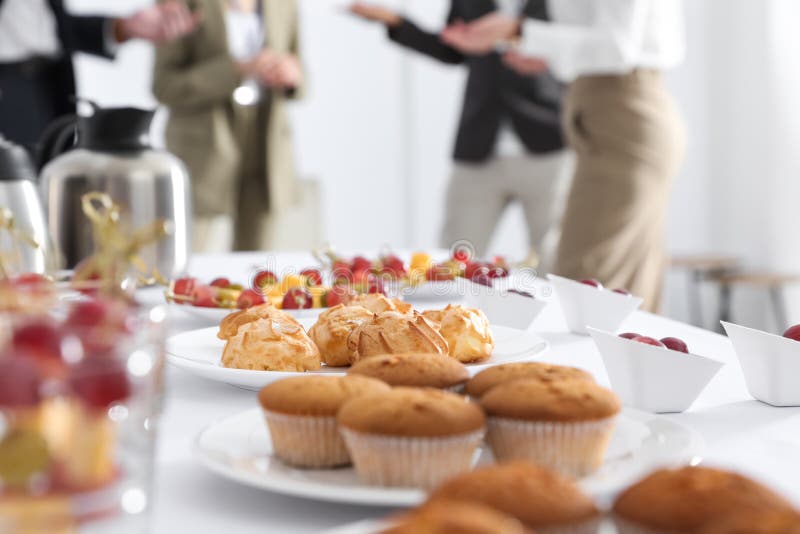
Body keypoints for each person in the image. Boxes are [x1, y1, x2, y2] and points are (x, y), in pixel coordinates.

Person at [441, 0, 686, 310]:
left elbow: (618, 46)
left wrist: (520, 30)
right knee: (618, 290)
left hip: (623, 108)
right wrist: (546, 54)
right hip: (602, 106)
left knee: (583, 287)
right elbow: (593, 37)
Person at [350, 1, 571, 268]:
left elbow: (581, 46)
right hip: (479, 143)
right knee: (452, 261)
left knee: (555, 262)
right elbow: (451, 48)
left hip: (548, 141)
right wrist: (396, 23)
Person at [153, 0, 304, 252]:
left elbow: (301, 75)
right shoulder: (180, 4)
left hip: (267, 140)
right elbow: (164, 86)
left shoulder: (283, 3)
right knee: (189, 254)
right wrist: (234, 70)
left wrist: (292, 76)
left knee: (259, 261)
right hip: (203, 143)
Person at [0, 0, 198, 157]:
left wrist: (123, 27)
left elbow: (50, 28)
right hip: (7, 87)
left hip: (44, 90)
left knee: (42, 182)